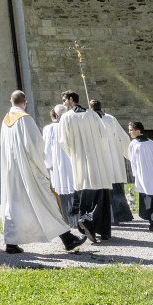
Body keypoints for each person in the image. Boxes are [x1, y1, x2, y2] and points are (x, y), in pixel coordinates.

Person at [0, 91, 85, 254]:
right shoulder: (25, 119)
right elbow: (36, 146)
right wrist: (43, 167)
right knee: (47, 201)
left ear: (11, 102)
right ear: (25, 102)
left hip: (12, 171)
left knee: (14, 205)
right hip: (29, 170)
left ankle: (11, 242)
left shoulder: (5, 122)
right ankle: (67, 239)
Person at [56, 91, 117, 244]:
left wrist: (74, 155)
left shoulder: (66, 117)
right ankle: (102, 230)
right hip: (98, 161)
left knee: (86, 194)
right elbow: (103, 137)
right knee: (101, 194)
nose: (63, 103)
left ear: (71, 100)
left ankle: (86, 220)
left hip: (80, 161)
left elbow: (64, 142)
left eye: (64, 100)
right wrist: (99, 153)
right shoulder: (93, 115)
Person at [90, 97, 134, 226]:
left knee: (106, 187)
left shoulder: (91, 120)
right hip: (114, 160)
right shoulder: (110, 118)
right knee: (115, 186)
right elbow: (123, 138)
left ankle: (110, 216)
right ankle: (121, 215)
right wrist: (126, 153)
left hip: (102, 160)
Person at [43, 106, 76, 223]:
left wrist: (47, 164)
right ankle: (76, 219)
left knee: (59, 189)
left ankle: (65, 218)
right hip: (73, 163)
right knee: (73, 188)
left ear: (56, 116)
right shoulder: (71, 125)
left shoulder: (49, 128)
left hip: (57, 164)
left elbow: (47, 148)